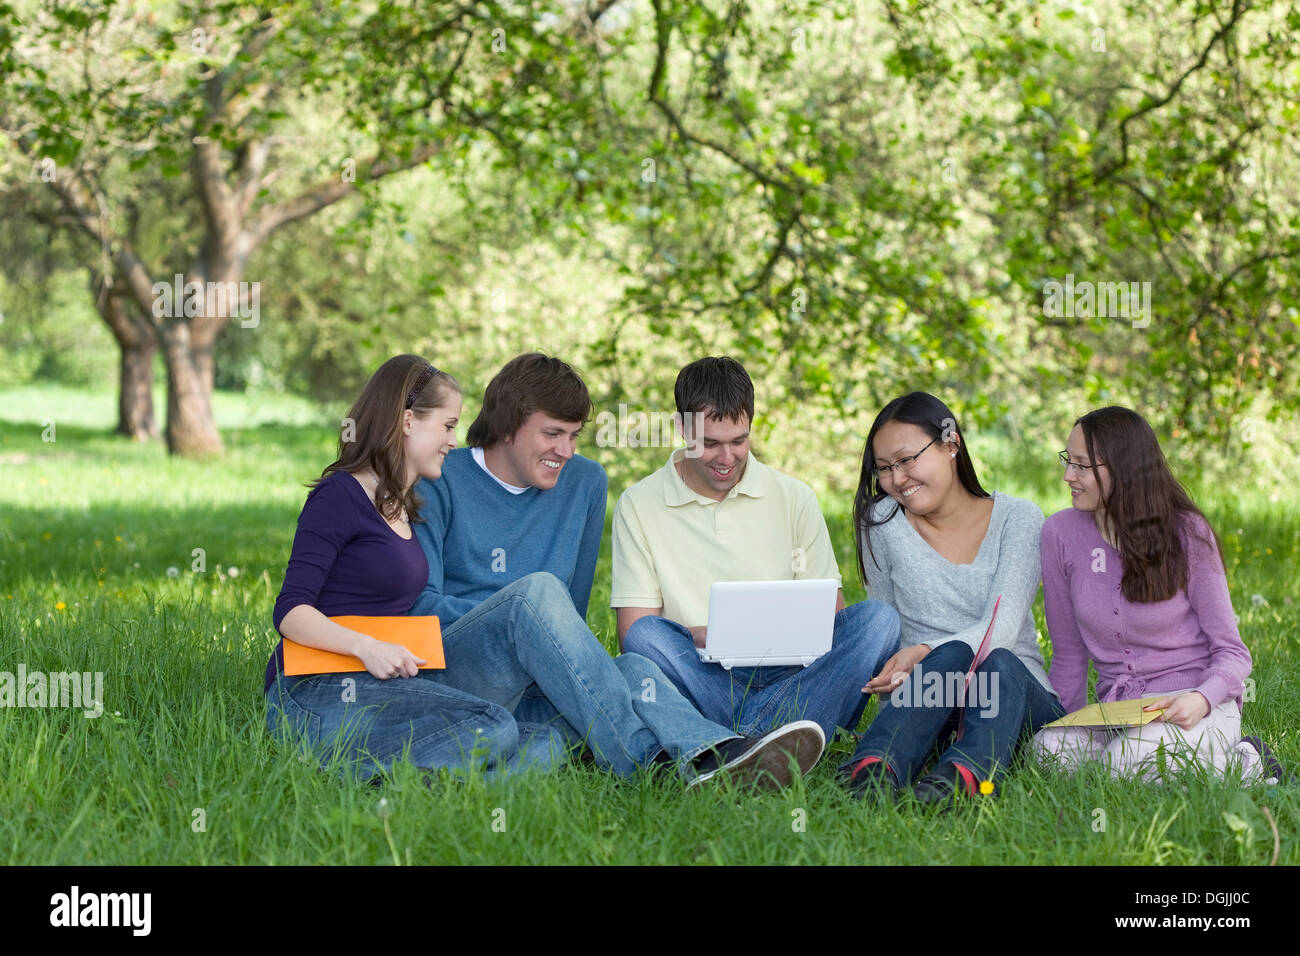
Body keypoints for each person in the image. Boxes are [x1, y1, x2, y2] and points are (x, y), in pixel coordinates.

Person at [409, 352, 826, 788]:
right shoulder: (438, 476)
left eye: (574, 435)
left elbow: (570, 618)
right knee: (534, 594)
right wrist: (513, 619)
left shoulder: (584, 482)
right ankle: (647, 764)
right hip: (462, 676)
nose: (565, 451)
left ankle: (716, 755)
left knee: (628, 677)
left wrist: (550, 649)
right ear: (508, 425)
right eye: (552, 434)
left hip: (534, 689)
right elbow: (423, 608)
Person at [265, 355, 564, 779]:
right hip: (316, 687)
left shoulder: (405, 507)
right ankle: (358, 769)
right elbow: (291, 612)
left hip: (384, 681)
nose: (454, 440)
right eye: (447, 425)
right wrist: (366, 647)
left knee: (546, 742)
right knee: (493, 728)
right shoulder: (340, 496)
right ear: (408, 421)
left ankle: (431, 789)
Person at [611, 356, 900, 744]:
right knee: (647, 639)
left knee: (879, 621)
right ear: (681, 429)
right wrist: (713, 636)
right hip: (703, 676)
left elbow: (831, 620)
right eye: (710, 443)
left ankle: (735, 738)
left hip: (794, 670)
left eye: (738, 441)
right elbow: (634, 633)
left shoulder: (794, 497)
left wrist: (777, 636)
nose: (726, 459)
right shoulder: (639, 503)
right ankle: (784, 730)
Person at [1030, 406, 1281, 784]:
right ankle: (1168, 766)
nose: (1068, 475)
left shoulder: (1186, 533)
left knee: (1122, 764)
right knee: (1047, 751)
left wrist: (1202, 699)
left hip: (1195, 704)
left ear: (1122, 469)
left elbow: (1232, 652)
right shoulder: (1060, 534)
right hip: (1119, 712)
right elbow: (1068, 656)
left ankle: (1246, 761)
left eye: (1082, 466)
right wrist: (1064, 726)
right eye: (1069, 461)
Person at [838, 391, 1065, 805]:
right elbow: (889, 626)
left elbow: (1001, 629)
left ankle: (962, 777)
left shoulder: (1019, 518)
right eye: (884, 468)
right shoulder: (881, 523)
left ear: (950, 444)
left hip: (1013, 703)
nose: (897, 478)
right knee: (947, 660)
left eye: (907, 460)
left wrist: (924, 650)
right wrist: (897, 678)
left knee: (996, 660)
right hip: (931, 703)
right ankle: (874, 769)